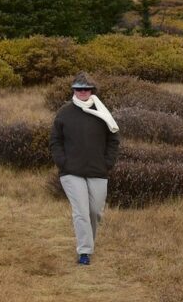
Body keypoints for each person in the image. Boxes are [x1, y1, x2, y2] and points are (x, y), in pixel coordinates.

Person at [49, 71, 119, 266]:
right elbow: (55, 140)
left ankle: (89, 243)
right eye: (79, 89)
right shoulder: (64, 112)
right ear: (73, 90)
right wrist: (62, 161)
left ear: (92, 90)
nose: (83, 92)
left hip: (98, 170)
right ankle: (84, 252)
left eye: (86, 89)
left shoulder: (102, 112)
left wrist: (108, 163)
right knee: (80, 211)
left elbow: (114, 138)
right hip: (71, 171)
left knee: (95, 212)